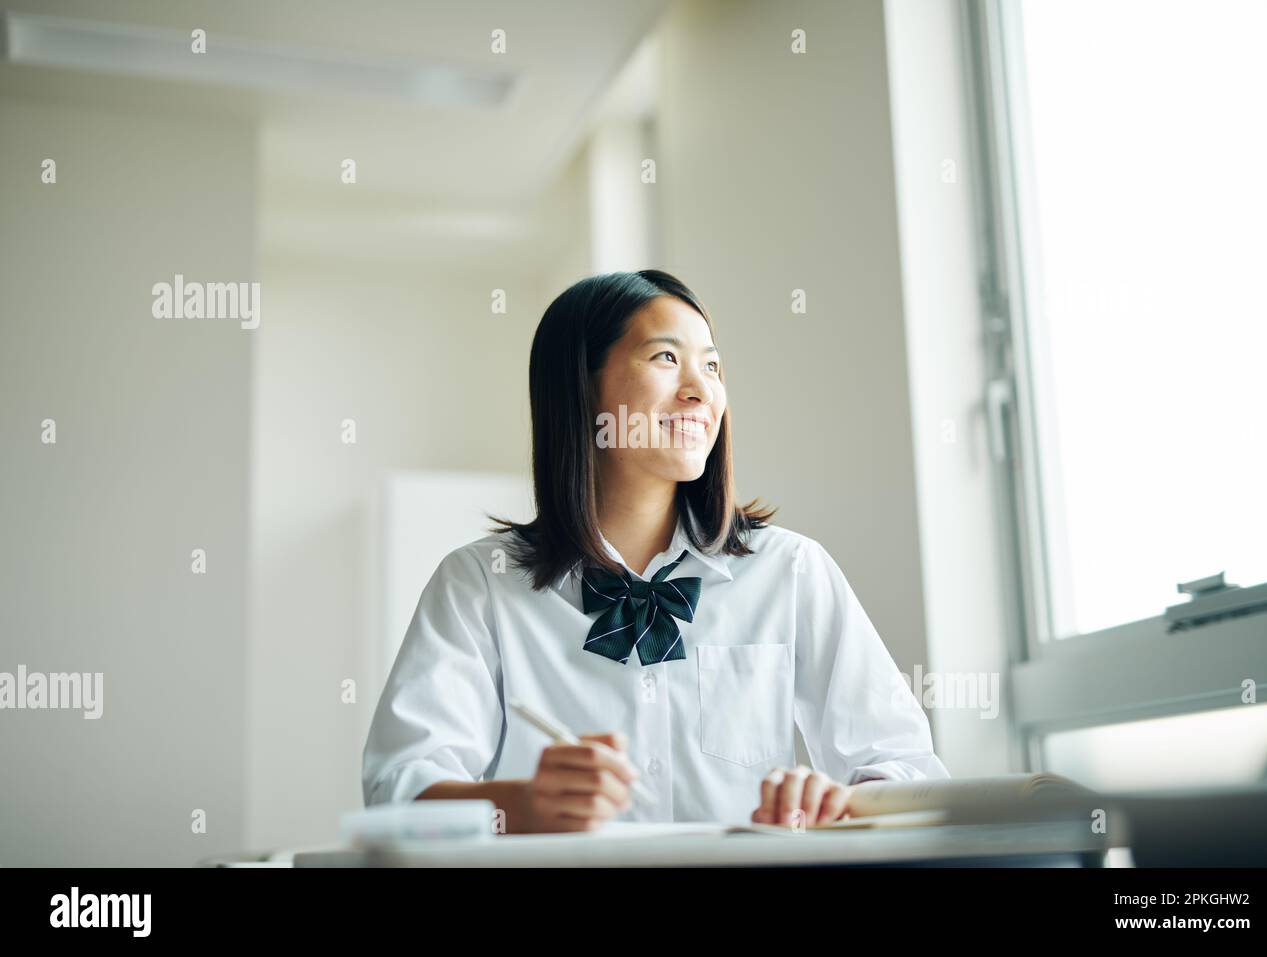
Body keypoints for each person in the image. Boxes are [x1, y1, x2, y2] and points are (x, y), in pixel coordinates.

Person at [361, 269, 948, 834]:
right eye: (666, 358)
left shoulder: (791, 571)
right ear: (581, 386)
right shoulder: (478, 584)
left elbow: (910, 770)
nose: (700, 391)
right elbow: (398, 790)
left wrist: (841, 799)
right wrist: (519, 806)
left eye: (712, 366)